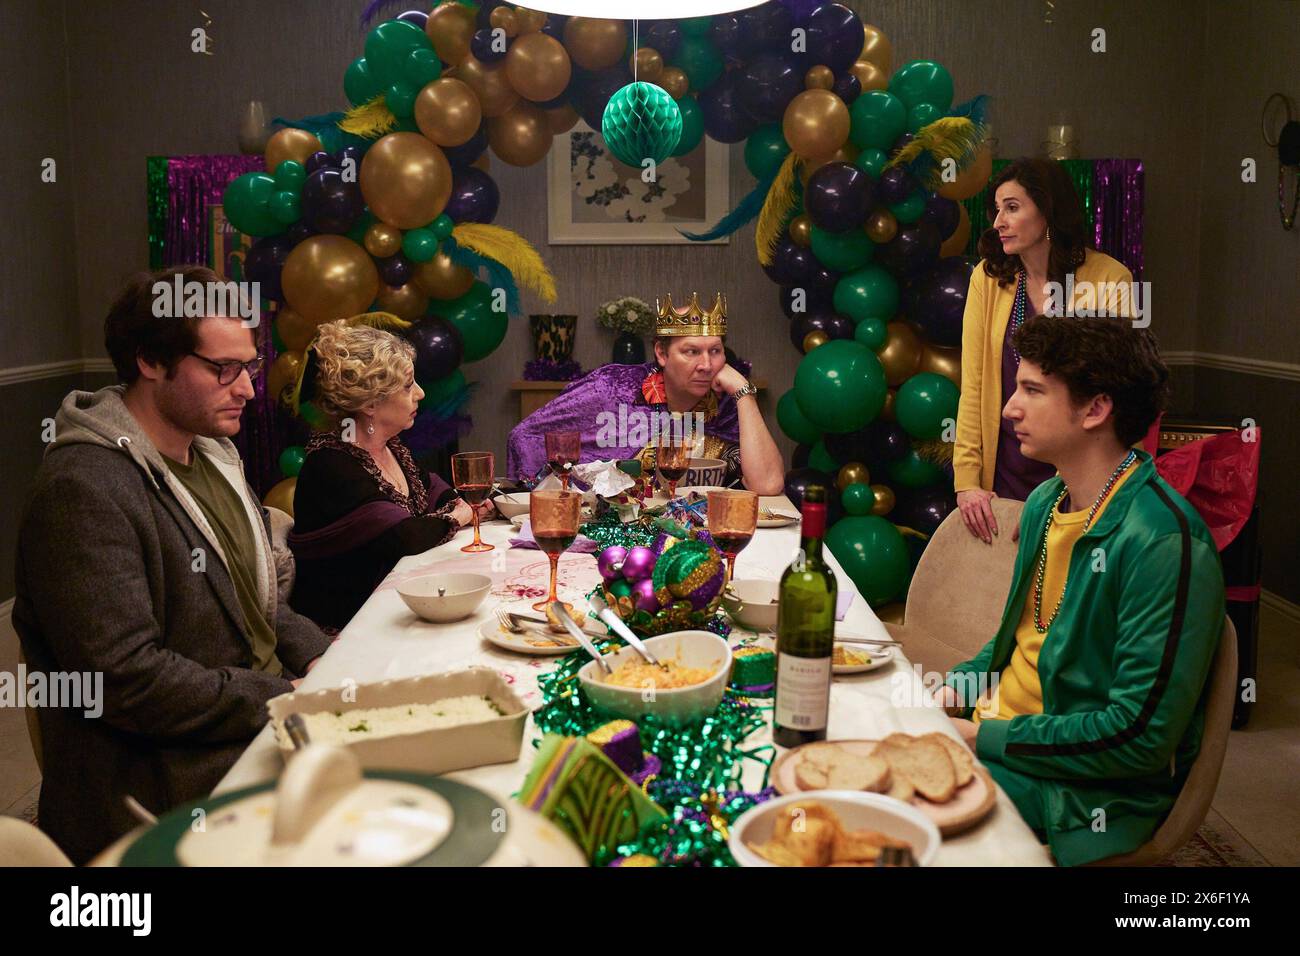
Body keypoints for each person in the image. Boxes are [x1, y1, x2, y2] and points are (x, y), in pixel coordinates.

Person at [13, 265, 333, 863]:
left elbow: (252, 601)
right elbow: (124, 678)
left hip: (254, 725)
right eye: (223, 369)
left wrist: (323, 657)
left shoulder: (213, 456)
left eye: (250, 368)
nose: (247, 390)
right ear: (151, 361)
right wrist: (279, 695)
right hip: (171, 781)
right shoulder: (84, 487)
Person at [935, 314, 1224, 867]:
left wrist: (980, 739)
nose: (1008, 408)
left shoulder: (1163, 540)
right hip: (1005, 743)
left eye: (1032, 390)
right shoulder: (1047, 501)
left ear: (1095, 410)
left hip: (1081, 792)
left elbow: (1136, 737)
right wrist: (942, 694)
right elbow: (1015, 649)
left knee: (886, 818)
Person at [954, 157, 1136, 543]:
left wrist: (1069, 492)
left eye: (1013, 208)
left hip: (1078, 475)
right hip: (1004, 469)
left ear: (1048, 211)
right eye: (997, 209)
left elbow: (1117, 398)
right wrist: (967, 481)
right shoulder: (987, 279)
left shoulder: (1110, 280)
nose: (998, 221)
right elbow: (973, 386)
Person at [288, 318, 489, 630]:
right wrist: (461, 515)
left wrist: (465, 506)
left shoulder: (389, 447)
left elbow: (437, 496)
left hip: (401, 608)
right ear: (370, 402)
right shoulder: (330, 465)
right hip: (349, 630)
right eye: (408, 385)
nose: (420, 393)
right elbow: (405, 538)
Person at [507, 293, 784, 494]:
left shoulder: (726, 404)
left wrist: (743, 392)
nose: (706, 365)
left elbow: (768, 485)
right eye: (691, 352)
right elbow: (526, 436)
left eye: (715, 351)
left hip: (702, 533)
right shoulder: (613, 389)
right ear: (662, 354)